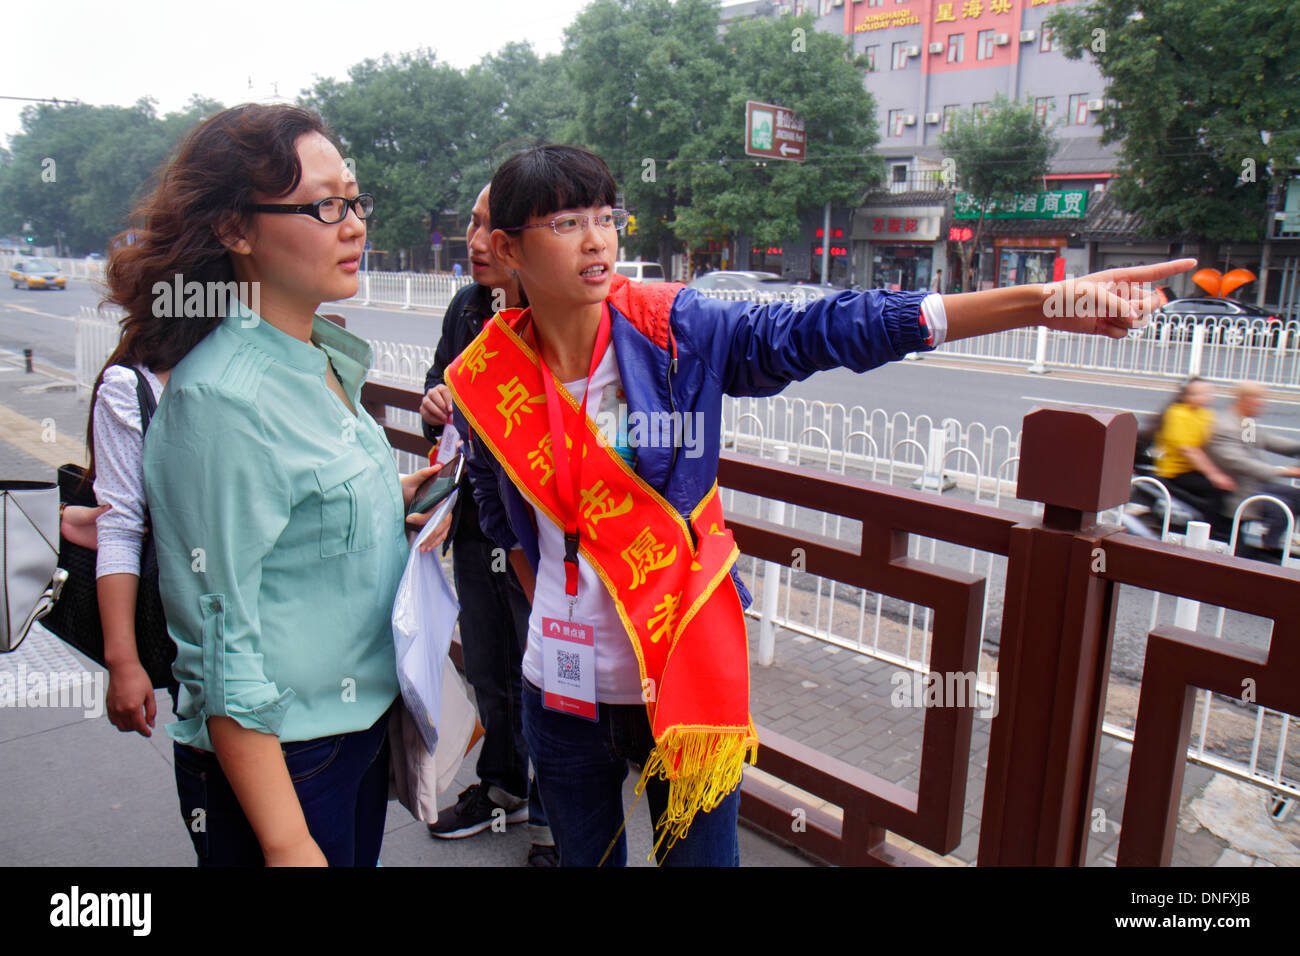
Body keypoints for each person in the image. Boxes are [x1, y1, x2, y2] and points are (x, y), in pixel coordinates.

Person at [445, 143, 1194, 867]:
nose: (596, 240)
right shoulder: (488, 377)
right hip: (563, 691)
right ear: (509, 251)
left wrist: (1038, 303)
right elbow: (499, 511)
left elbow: (827, 327)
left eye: (605, 215)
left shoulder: (676, 330)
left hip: (687, 674)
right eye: (566, 223)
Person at [132, 104, 447, 867]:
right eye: (323, 205)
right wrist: (285, 842)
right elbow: (218, 645)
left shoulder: (319, 358)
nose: (353, 225)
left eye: (354, 200)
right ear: (236, 230)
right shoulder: (223, 402)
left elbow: (295, 509)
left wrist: (395, 495)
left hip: (356, 733)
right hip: (285, 762)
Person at [419, 184, 555, 865]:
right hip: (476, 520)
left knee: (554, 675)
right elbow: (434, 390)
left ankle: (559, 822)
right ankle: (501, 787)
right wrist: (435, 399)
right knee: (490, 663)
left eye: (489, 227)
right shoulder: (468, 309)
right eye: (470, 223)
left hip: (546, 538)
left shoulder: (567, 318)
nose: (474, 241)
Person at [1207, 382, 1300, 549]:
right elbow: (1242, 463)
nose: (1263, 403)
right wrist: (1288, 472)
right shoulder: (1225, 427)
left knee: (1297, 497)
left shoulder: (1244, 423)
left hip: (1254, 485)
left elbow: (1266, 441)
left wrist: (1297, 448)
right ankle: (1268, 551)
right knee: (1282, 510)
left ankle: (1271, 544)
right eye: (1259, 398)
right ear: (1245, 399)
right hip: (1239, 491)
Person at [1152, 377, 1235, 527]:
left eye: (1207, 393)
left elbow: (1216, 441)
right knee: (1218, 491)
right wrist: (1214, 474)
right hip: (1177, 472)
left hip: (1198, 468)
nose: (1204, 397)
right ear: (1186, 396)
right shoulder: (1177, 414)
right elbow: (1188, 450)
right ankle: (1213, 531)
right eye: (1197, 394)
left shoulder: (1206, 414)